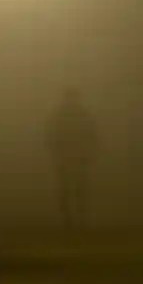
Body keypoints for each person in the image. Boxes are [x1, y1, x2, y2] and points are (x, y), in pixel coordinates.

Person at [45, 87, 98, 231]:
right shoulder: (82, 115)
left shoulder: (60, 115)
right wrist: (90, 152)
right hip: (77, 156)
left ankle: (69, 219)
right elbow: (92, 135)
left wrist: (54, 151)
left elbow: (51, 135)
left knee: (67, 188)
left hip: (66, 156)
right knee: (77, 188)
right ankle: (77, 218)